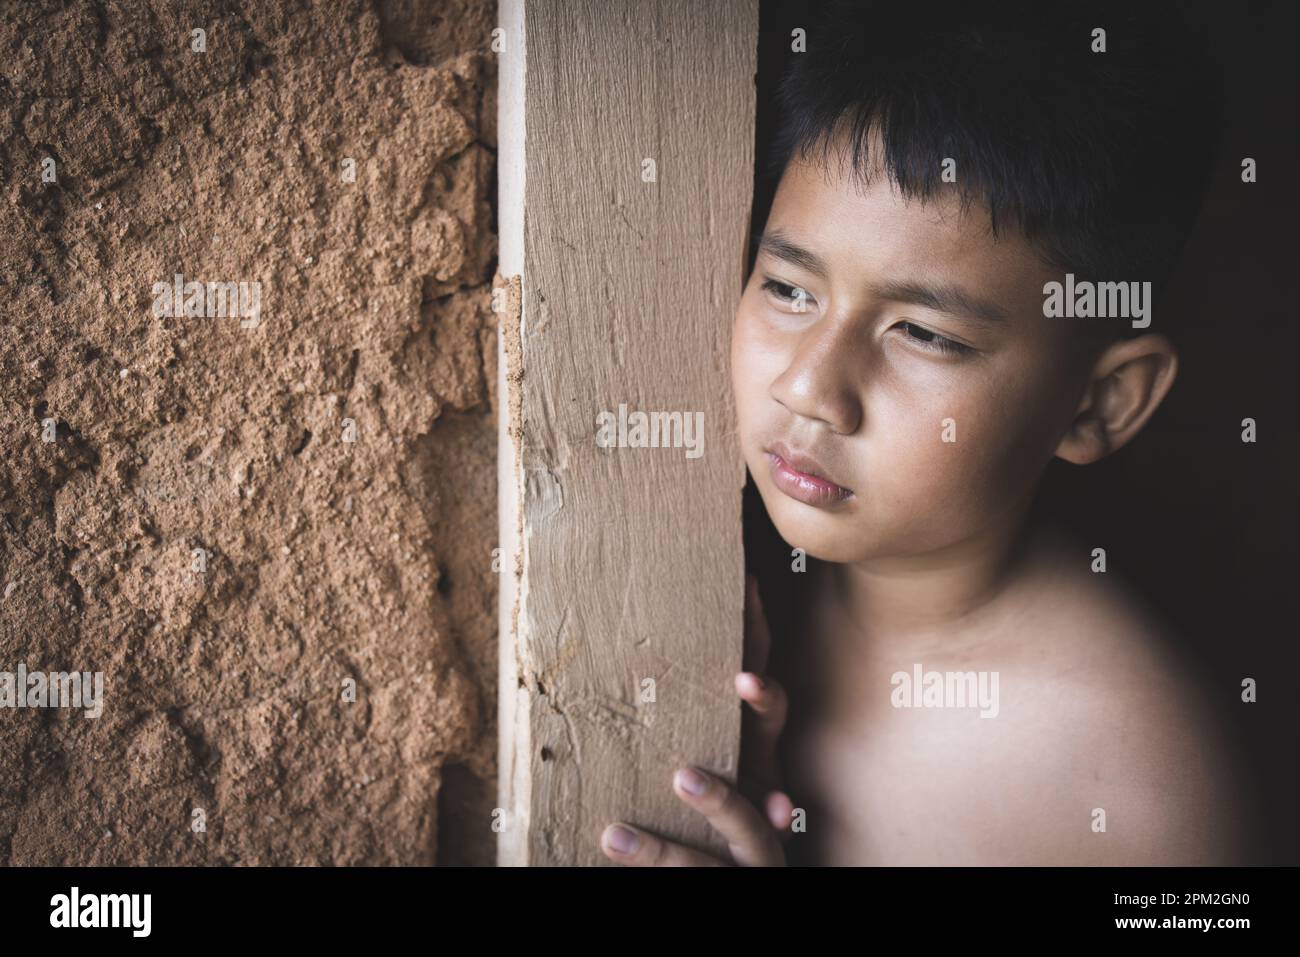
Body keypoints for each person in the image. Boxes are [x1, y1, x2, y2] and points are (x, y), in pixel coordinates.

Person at [599, 0, 1249, 865]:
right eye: (791, 287)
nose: (809, 386)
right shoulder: (739, 583)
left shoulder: (1136, 793)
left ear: (1100, 403)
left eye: (926, 335)